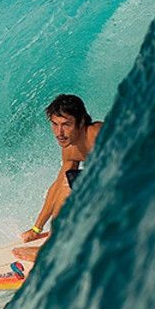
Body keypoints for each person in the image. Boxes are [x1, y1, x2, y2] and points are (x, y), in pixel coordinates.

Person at [12, 94, 102, 262]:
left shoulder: (98, 135)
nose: (59, 133)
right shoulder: (70, 149)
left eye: (66, 125)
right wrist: (37, 228)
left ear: (81, 122)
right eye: (55, 124)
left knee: (72, 183)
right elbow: (58, 188)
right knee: (68, 181)